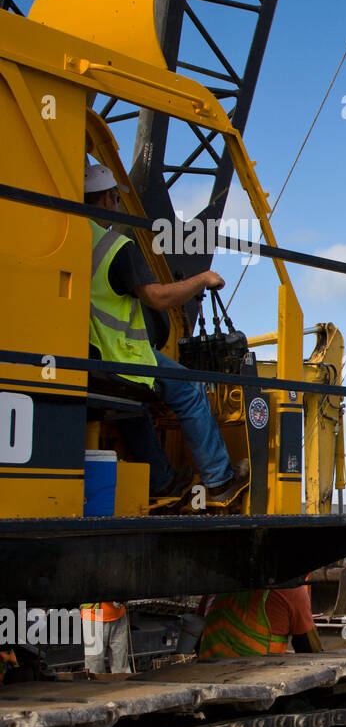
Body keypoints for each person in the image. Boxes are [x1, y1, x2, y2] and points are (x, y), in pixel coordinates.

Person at [84, 161, 247, 504]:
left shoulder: (66, 231)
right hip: (119, 355)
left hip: (87, 356)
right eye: (115, 198)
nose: (116, 205)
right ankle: (218, 480)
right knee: (187, 387)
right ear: (104, 200)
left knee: (130, 401)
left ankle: (162, 481)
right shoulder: (115, 246)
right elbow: (157, 298)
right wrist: (202, 279)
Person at [196, 585, 320, 659]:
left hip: (206, 680)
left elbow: (196, 635)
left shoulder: (215, 588)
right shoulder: (291, 591)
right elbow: (309, 650)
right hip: (262, 688)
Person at [80, 601, 131, 673]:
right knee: (94, 665)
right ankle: (94, 683)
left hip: (118, 614)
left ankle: (124, 682)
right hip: (93, 617)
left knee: (121, 662)